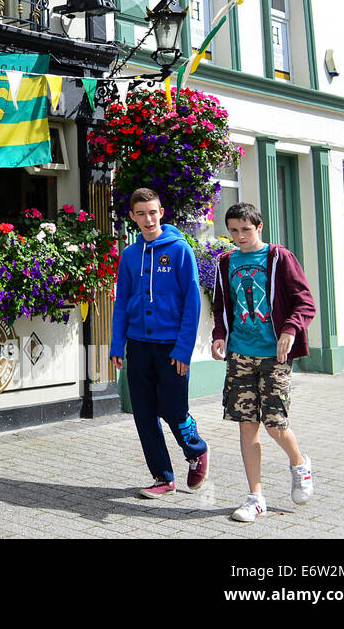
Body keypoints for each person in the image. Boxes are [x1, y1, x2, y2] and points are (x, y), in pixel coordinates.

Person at [210, 202, 316, 522]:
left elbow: (304, 302)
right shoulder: (225, 261)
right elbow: (220, 307)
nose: (239, 236)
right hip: (240, 354)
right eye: (233, 231)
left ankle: (299, 463)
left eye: (245, 229)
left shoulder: (278, 258)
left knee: (275, 424)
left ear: (259, 227)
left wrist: (289, 330)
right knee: (247, 425)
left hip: (275, 355)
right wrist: (219, 335)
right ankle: (256, 497)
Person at [110, 188, 210, 498]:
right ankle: (162, 477)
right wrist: (117, 344)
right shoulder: (129, 255)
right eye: (141, 213)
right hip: (138, 345)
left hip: (171, 347)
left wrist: (183, 349)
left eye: (152, 212)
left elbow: (192, 303)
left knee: (173, 409)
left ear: (161, 212)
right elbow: (122, 301)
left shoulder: (180, 250)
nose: (147, 218)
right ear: (132, 217)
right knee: (143, 412)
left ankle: (196, 450)